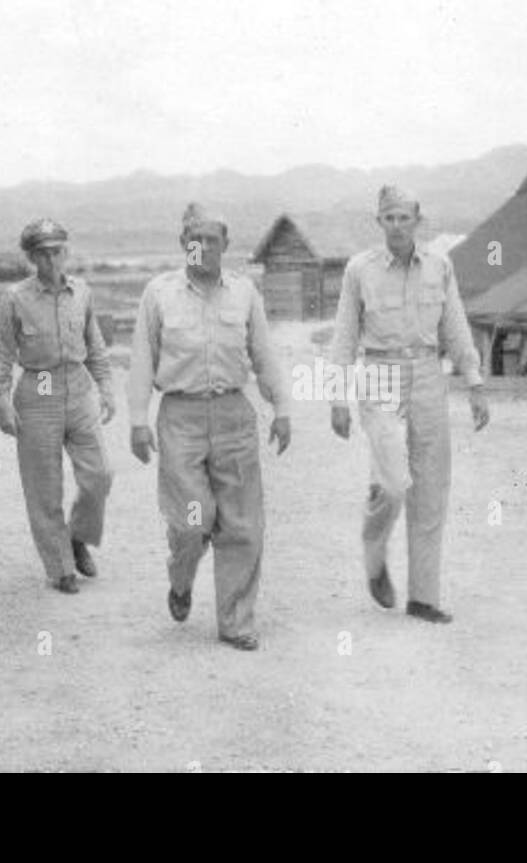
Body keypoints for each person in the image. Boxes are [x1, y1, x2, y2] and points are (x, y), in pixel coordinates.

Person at [127, 203, 291, 651]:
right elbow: (142, 359)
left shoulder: (244, 294)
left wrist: (282, 408)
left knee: (242, 524)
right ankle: (181, 578)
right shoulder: (159, 294)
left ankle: (235, 621)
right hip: (180, 419)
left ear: (225, 245)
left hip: (234, 415)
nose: (203, 247)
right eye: (194, 239)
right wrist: (138, 420)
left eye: (212, 239)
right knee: (191, 521)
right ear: (184, 245)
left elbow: (265, 354)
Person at [328, 185, 489, 624]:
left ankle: (424, 598)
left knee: (431, 489)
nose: (397, 227)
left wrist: (474, 382)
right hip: (379, 373)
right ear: (378, 222)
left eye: (404, 218)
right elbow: (343, 334)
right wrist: (337, 395)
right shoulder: (359, 270)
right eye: (389, 219)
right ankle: (374, 553)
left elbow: (455, 326)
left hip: (428, 376)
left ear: (418, 220)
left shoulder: (440, 266)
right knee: (394, 483)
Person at [0, 218, 115, 595]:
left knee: (100, 475)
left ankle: (78, 537)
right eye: (42, 254)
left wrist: (106, 387)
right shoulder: (16, 298)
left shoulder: (83, 292)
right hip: (37, 393)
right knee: (44, 488)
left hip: (78, 388)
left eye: (57, 252)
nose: (51, 260)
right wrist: (1, 400)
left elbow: (96, 346)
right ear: (30, 258)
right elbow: (1, 353)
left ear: (67, 252)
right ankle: (60, 568)